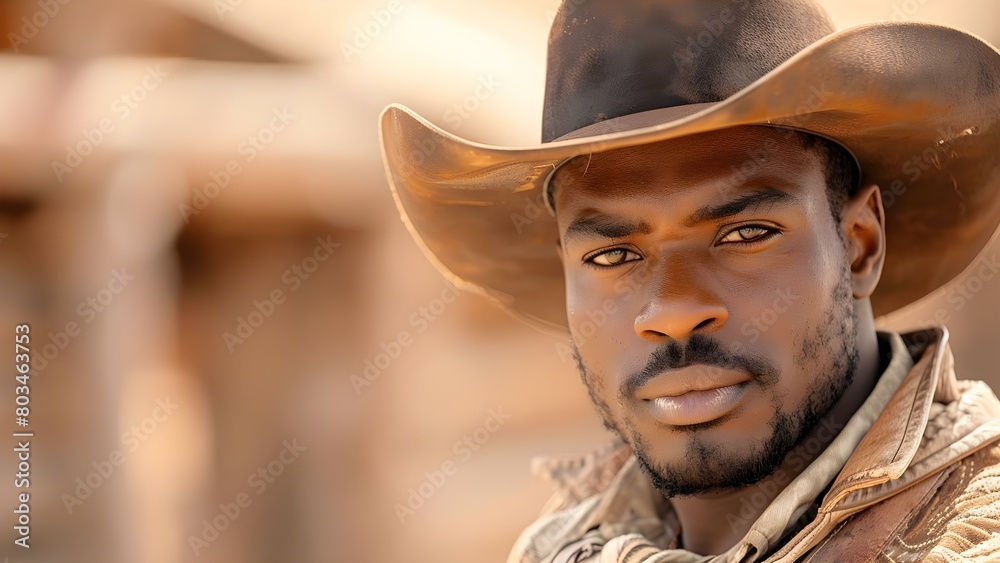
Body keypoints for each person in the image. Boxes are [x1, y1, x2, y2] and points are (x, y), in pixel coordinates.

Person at [378, 0, 1000, 560]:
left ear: (860, 245)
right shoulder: (564, 542)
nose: (673, 310)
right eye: (613, 256)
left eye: (745, 233)